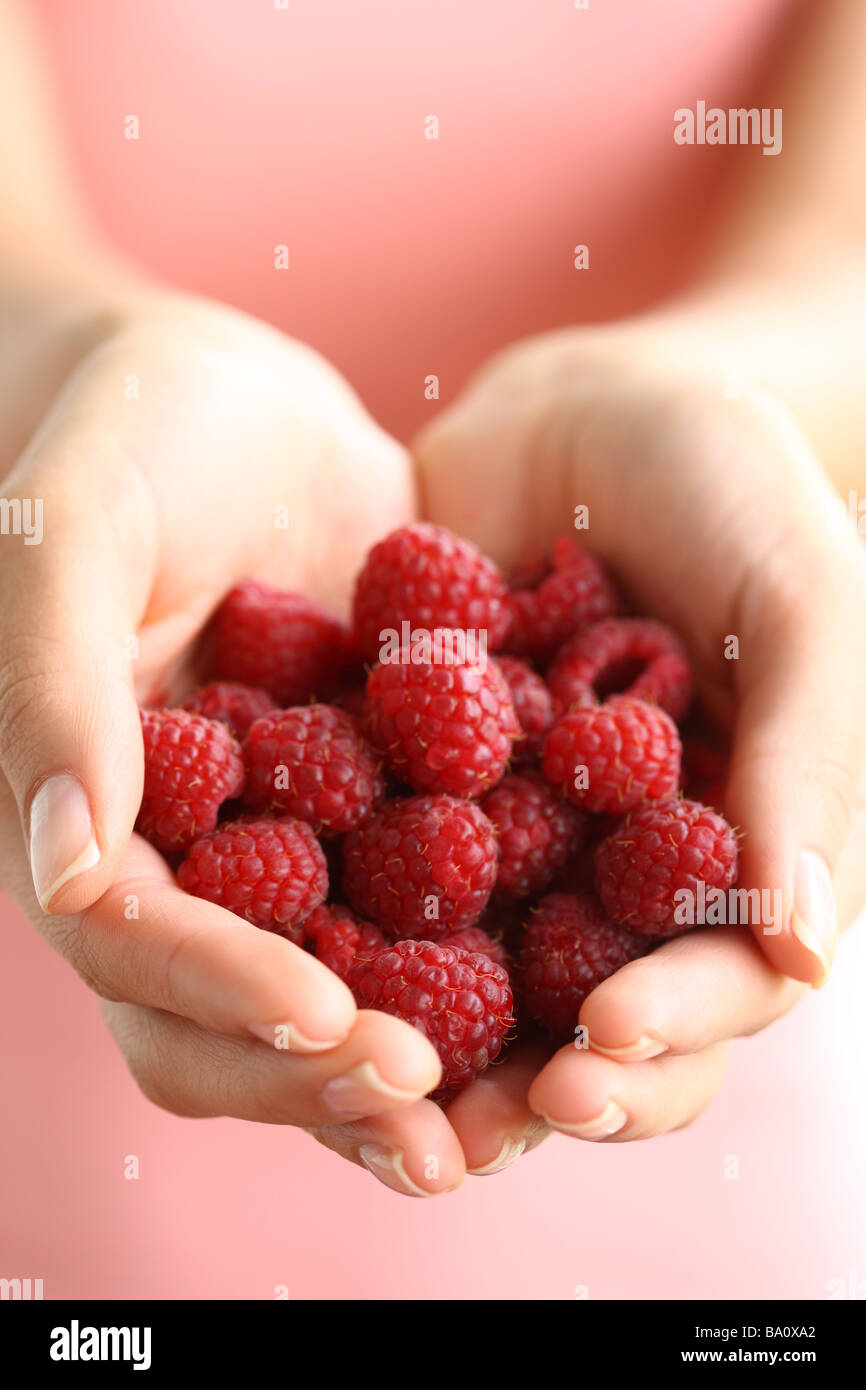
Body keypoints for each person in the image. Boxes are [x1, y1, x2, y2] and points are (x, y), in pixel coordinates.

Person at [0, 0, 864, 1199]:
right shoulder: (348, 746)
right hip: (63, 1095)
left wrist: (740, 397)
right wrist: (83, 361)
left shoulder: (532, 770)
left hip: (733, 1153)